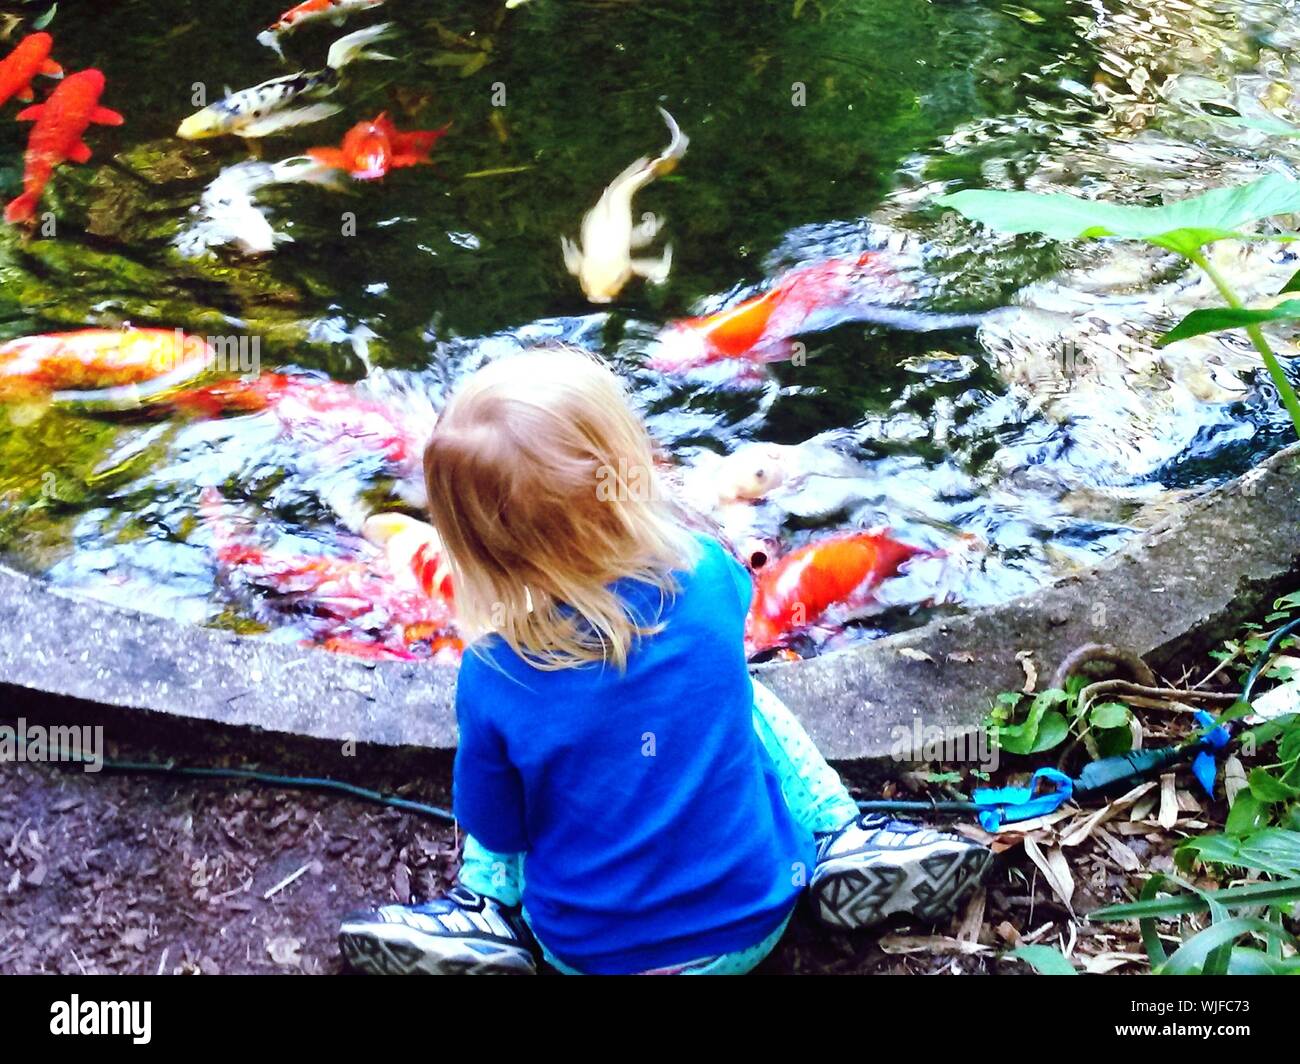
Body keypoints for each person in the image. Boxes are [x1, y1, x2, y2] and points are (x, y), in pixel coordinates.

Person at [339, 348, 990, 975]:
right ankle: (841, 835)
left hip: (586, 956)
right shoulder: (708, 575)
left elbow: (496, 823)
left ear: (469, 547)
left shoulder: (492, 671)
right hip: (754, 924)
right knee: (748, 697)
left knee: (513, 768)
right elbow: (724, 611)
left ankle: (481, 910)